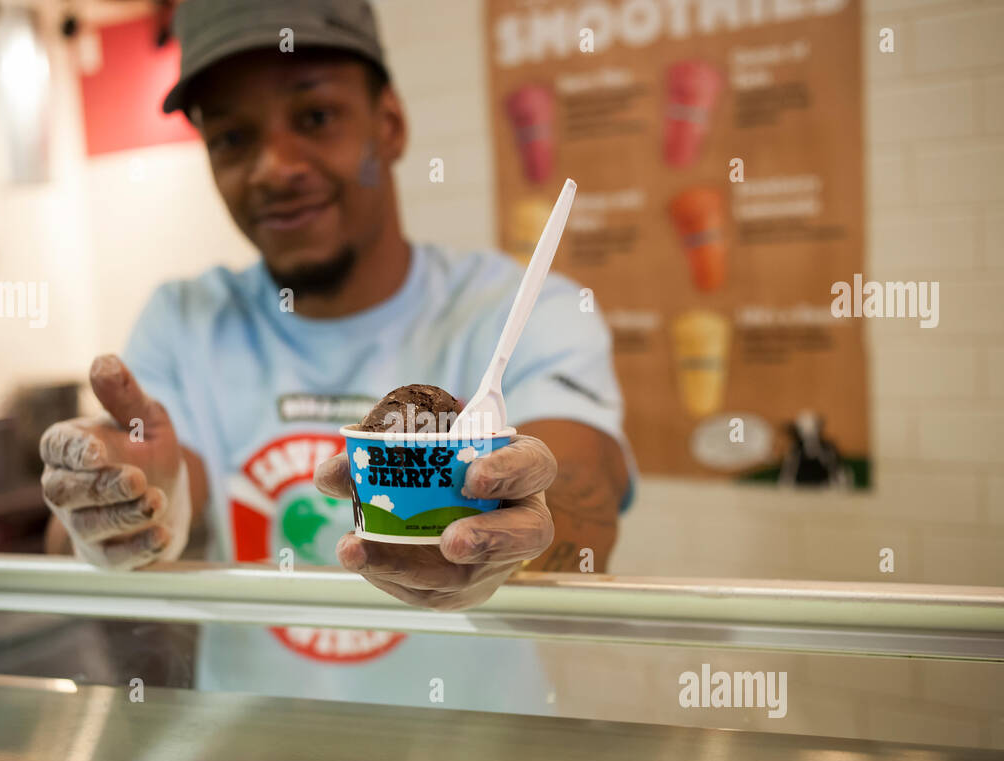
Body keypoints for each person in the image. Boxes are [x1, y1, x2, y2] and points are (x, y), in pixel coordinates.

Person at [40, 0, 635, 618]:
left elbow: (584, 496)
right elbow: (86, 534)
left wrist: (507, 532)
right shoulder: (184, 318)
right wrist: (126, 510)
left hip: (470, 720)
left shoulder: (521, 310)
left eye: (316, 115)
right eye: (232, 137)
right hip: (253, 717)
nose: (275, 168)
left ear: (391, 124)